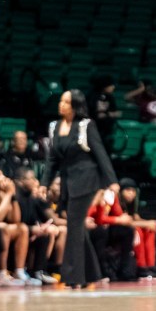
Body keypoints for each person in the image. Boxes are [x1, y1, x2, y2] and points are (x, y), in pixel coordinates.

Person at [42, 89, 119, 289]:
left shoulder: (86, 126)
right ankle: (92, 272)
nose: (62, 104)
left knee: (74, 226)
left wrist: (112, 181)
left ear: (75, 105)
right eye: (61, 101)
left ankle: (73, 276)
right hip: (68, 181)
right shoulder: (55, 126)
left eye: (66, 102)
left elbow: (100, 153)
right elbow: (52, 159)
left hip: (87, 180)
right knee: (77, 228)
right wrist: (44, 183)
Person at [117, 178, 156, 278]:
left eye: (133, 191)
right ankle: (141, 267)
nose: (131, 193)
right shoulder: (118, 203)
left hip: (126, 228)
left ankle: (150, 265)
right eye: (128, 190)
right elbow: (126, 222)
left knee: (149, 230)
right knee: (137, 231)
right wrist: (146, 224)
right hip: (116, 230)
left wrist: (150, 223)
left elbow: (136, 218)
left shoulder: (132, 204)